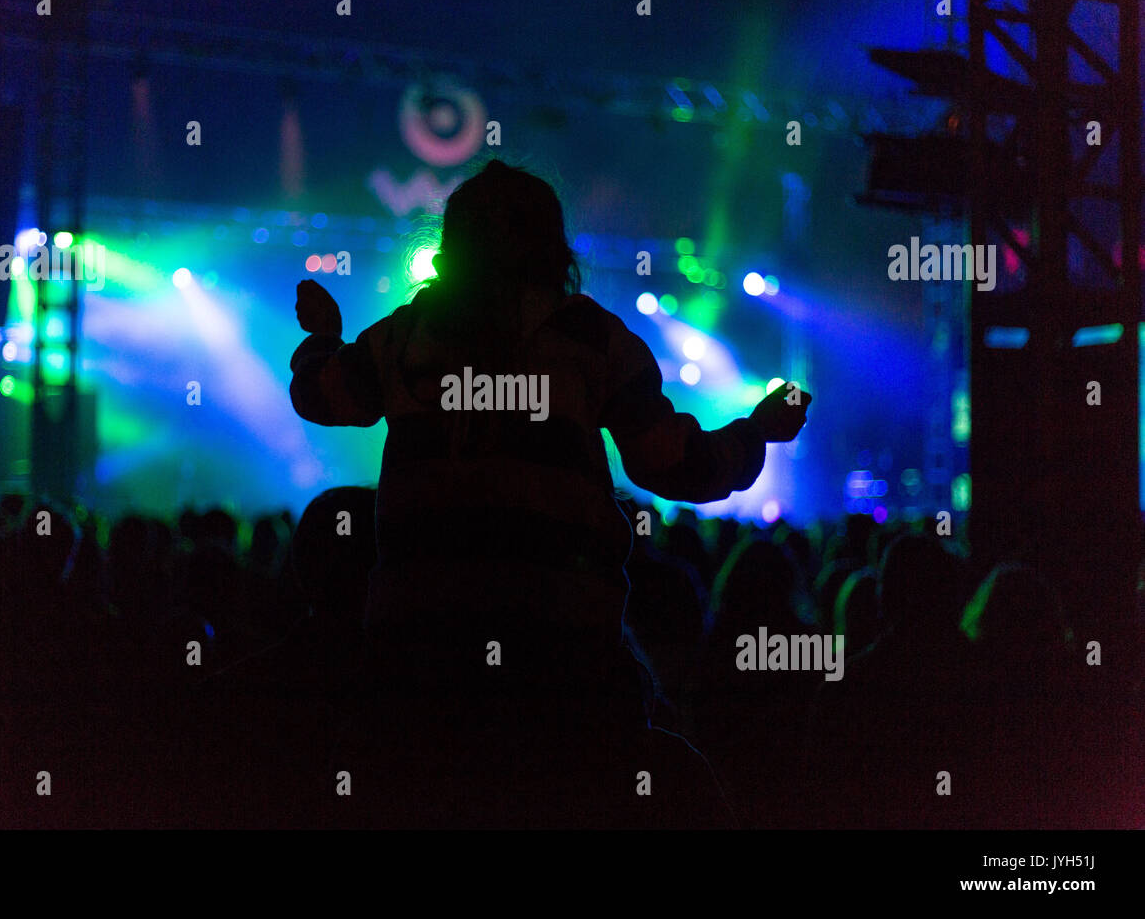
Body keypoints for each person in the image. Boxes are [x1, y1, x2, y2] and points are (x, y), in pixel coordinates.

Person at [289, 158, 812, 825]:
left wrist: (323, 341)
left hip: (415, 674)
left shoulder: (402, 338)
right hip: (566, 675)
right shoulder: (591, 339)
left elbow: (320, 395)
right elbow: (672, 465)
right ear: (553, 249)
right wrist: (755, 433)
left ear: (452, 249)